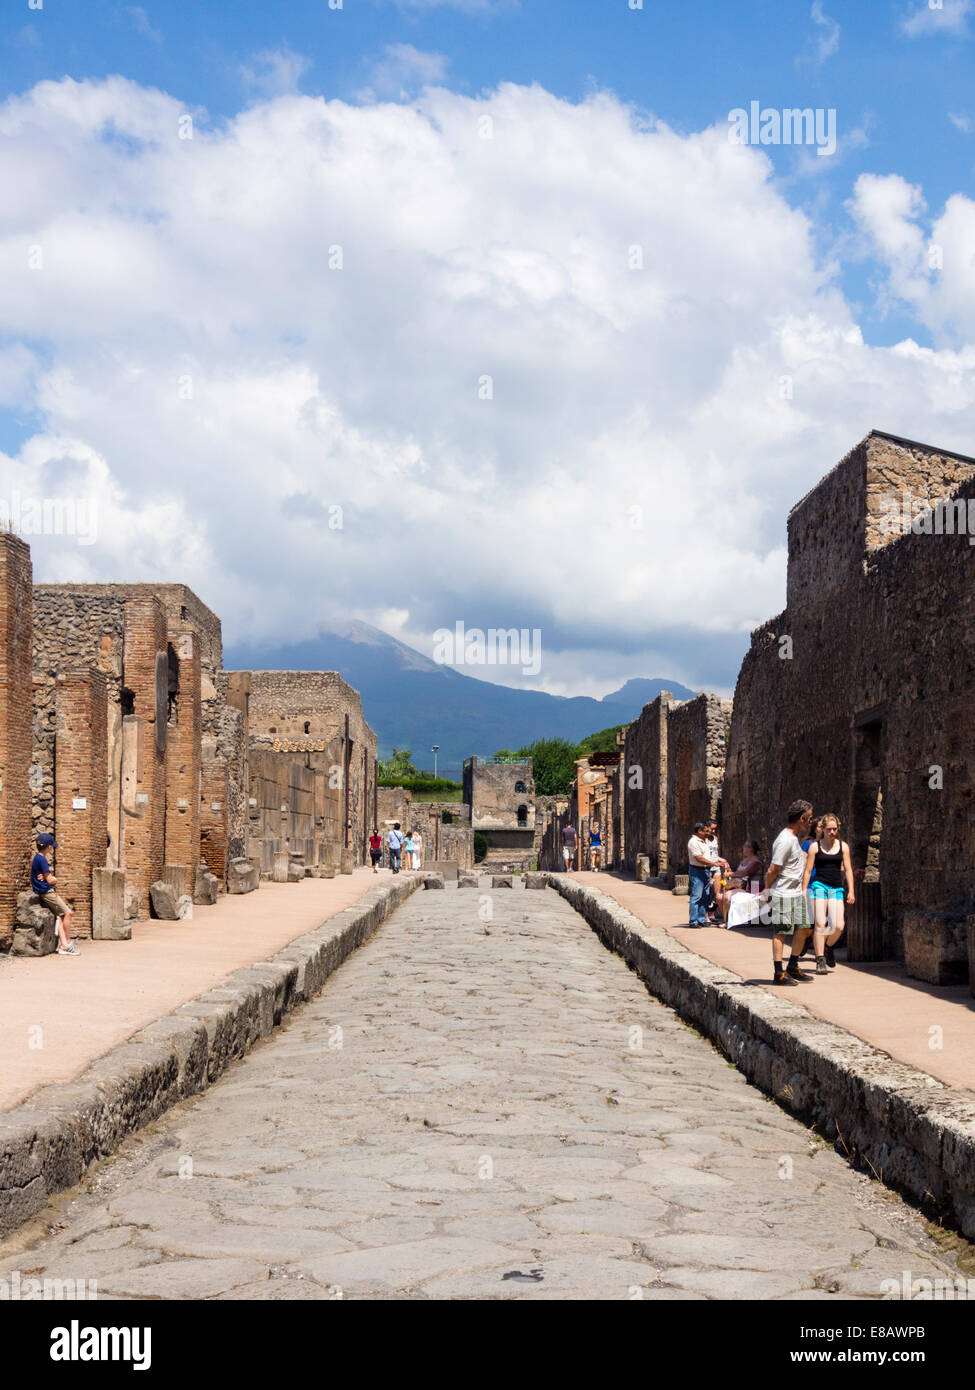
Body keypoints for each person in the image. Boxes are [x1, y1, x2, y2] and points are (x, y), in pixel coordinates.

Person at [763, 800, 815, 985]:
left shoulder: (793, 839)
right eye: (809, 817)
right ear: (802, 818)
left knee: (804, 929)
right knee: (782, 932)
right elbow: (772, 869)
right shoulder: (785, 840)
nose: (811, 821)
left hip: (796, 893)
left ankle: (792, 966)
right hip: (783, 893)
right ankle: (778, 973)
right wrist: (767, 891)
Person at [802, 813, 855, 974]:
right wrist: (804, 890)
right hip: (819, 886)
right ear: (823, 829)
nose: (832, 832)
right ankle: (820, 960)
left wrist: (851, 890)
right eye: (829, 829)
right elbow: (808, 870)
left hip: (836, 888)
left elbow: (848, 869)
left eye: (835, 829)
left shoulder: (843, 846)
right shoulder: (815, 847)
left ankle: (828, 946)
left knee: (838, 926)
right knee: (820, 924)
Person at [30, 833, 78, 956]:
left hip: (44, 891)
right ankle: (67, 942)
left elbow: (43, 876)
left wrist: (46, 877)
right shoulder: (42, 859)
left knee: (59, 916)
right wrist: (54, 879)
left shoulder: (37, 858)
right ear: (49, 847)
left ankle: (63, 944)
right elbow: (50, 880)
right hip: (47, 892)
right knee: (68, 913)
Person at [714, 838, 764, 924]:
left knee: (727, 895)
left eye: (745, 846)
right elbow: (737, 873)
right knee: (719, 896)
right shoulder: (744, 860)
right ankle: (727, 919)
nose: (742, 847)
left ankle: (728, 922)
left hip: (753, 887)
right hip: (741, 885)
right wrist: (729, 871)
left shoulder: (756, 862)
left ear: (750, 848)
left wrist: (730, 874)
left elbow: (744, 873)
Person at [687, 822, 727, 927]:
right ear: (699, 831)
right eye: (706, 830)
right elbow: (699, 858)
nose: (709, 832)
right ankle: (693, 920)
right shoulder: (693, 842)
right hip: (697, 870)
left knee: (705, 896)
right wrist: (714, 863)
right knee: (697, 895)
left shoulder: (704, 841)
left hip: (706, 870)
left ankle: (701, 919)